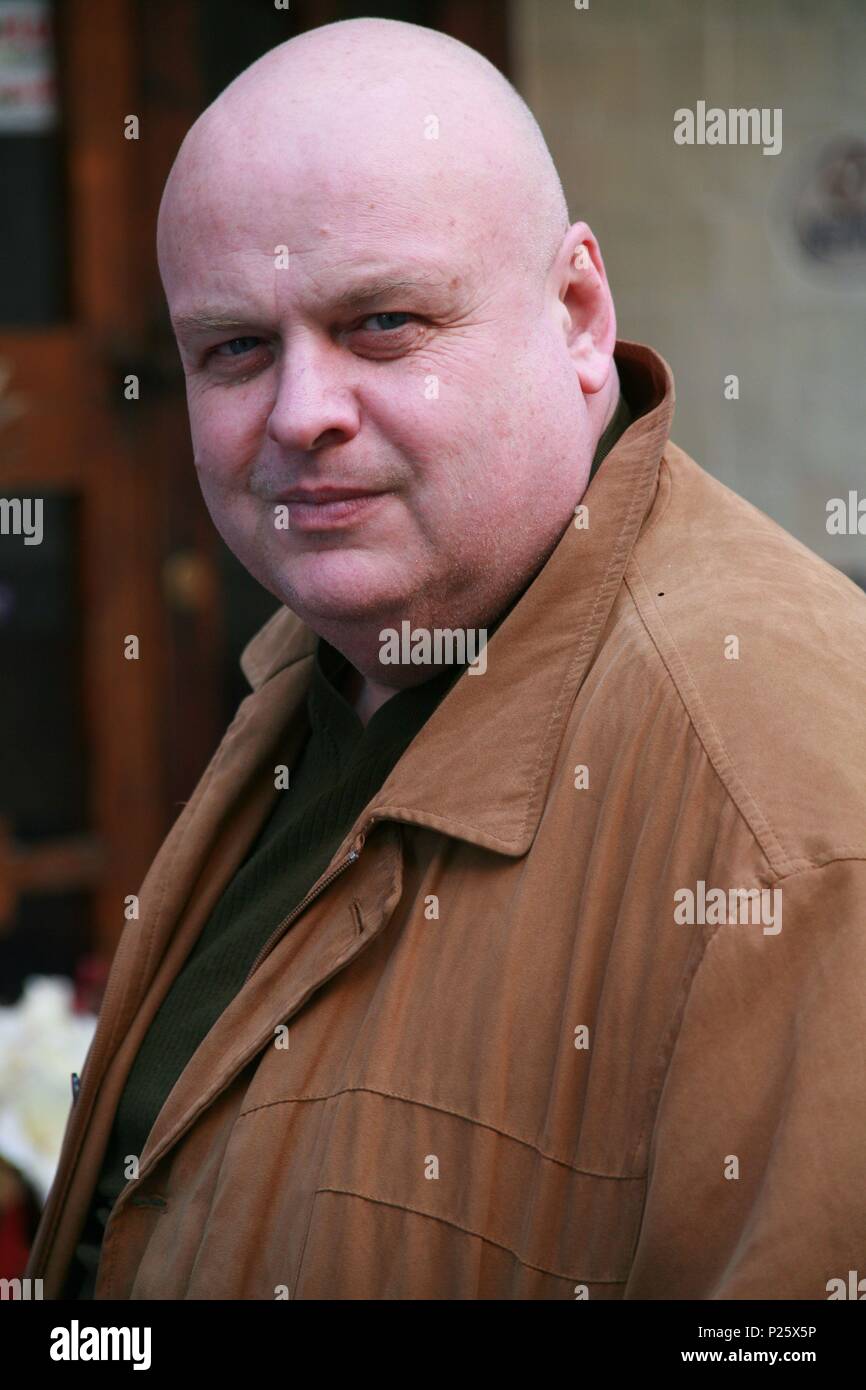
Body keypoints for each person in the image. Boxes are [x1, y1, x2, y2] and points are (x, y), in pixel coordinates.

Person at [29, 16, 866, 1300]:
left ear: (578, 312)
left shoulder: (787, 791)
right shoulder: (337, 668)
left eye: (381, 323)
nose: (301, 413)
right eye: (235, 348)